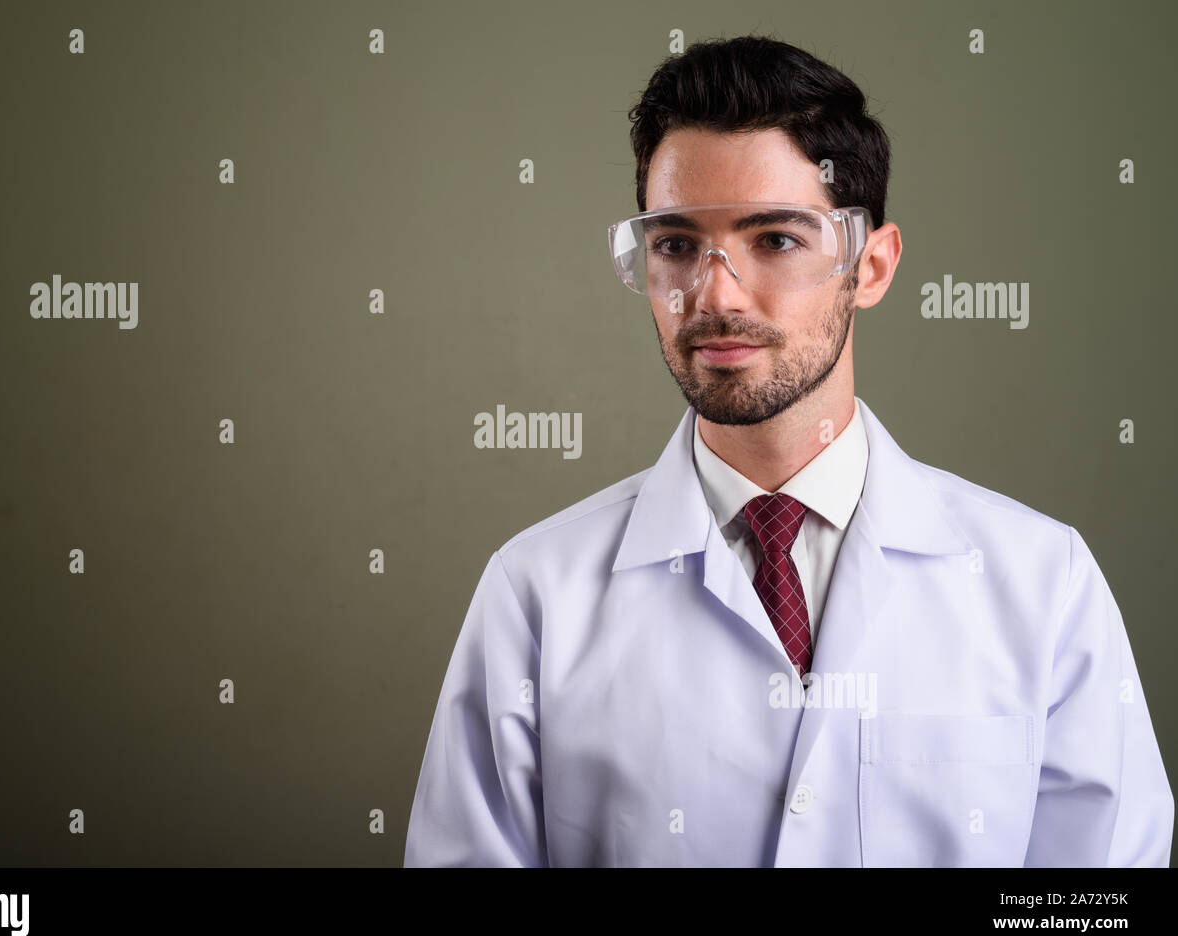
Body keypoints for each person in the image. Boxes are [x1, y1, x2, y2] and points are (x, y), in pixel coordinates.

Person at [403, 35, 1173, 866]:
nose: (716, 292)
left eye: (774, 239)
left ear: (870, 267)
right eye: (676, 244)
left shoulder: (1043, 583)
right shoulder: (534, 596)